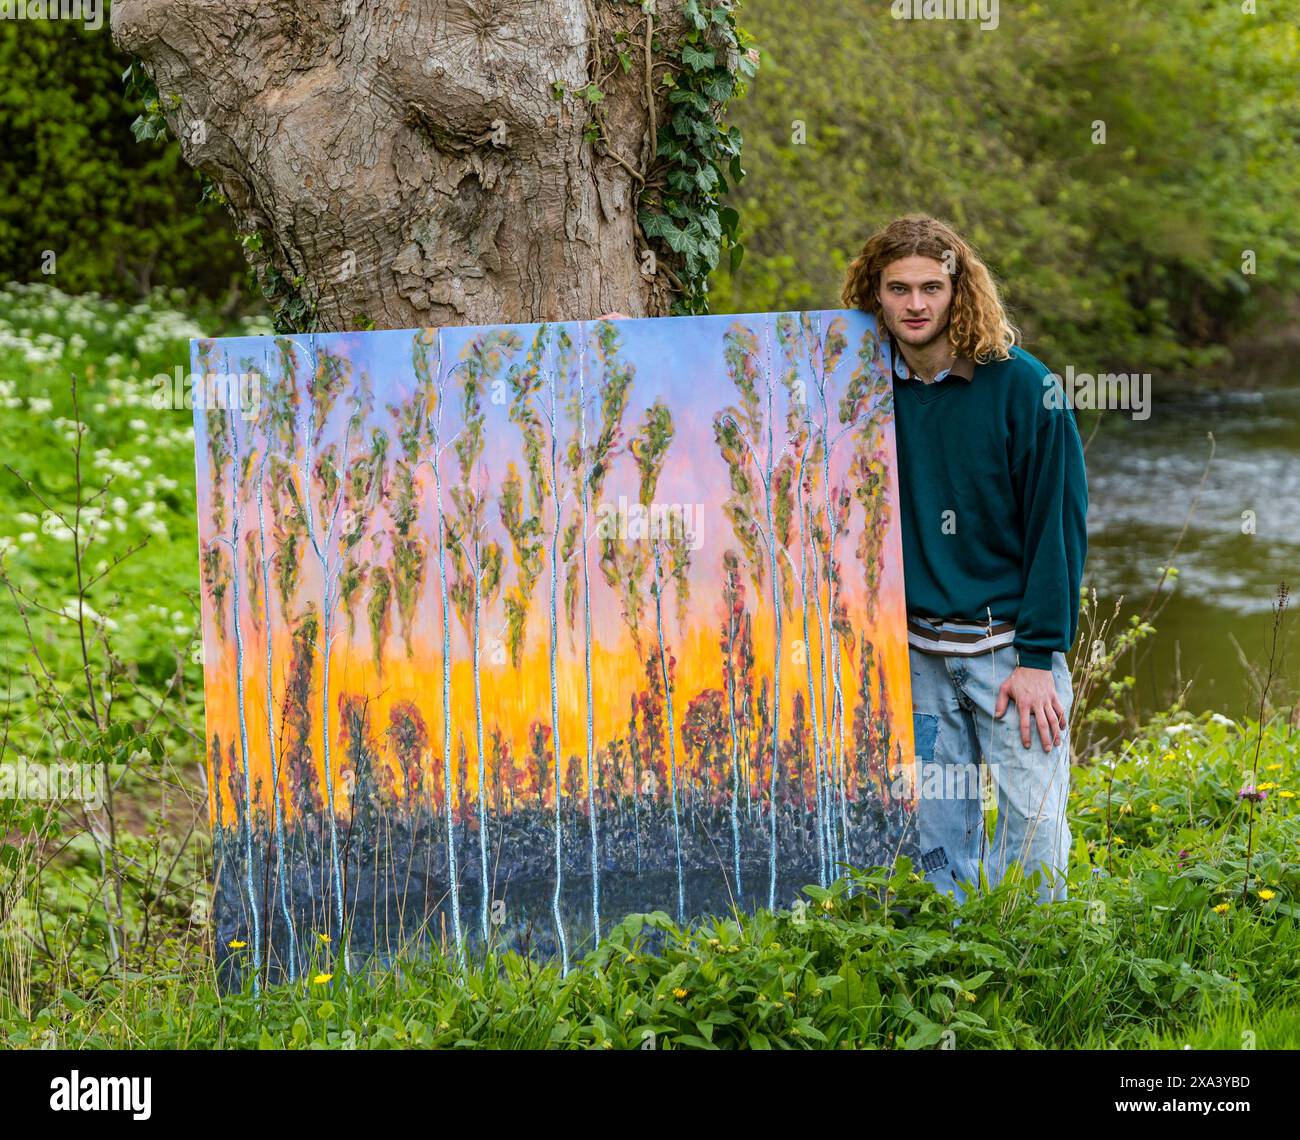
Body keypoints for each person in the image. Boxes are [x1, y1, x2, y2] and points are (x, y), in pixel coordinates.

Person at [840, 214, 1088, 905]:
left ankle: (1038, 982)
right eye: (897, 289)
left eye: (930, 287)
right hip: (913, 658)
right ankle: (950, 977)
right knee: (935, 846)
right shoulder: (856, 387)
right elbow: (748, 368)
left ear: (959, 291)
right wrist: (640, 342)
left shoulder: (1022, 389)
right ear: (875, 295)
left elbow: (1058, 531)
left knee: (1034, 839)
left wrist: (1039, 658)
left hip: (1009, 656)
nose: (915, 305)